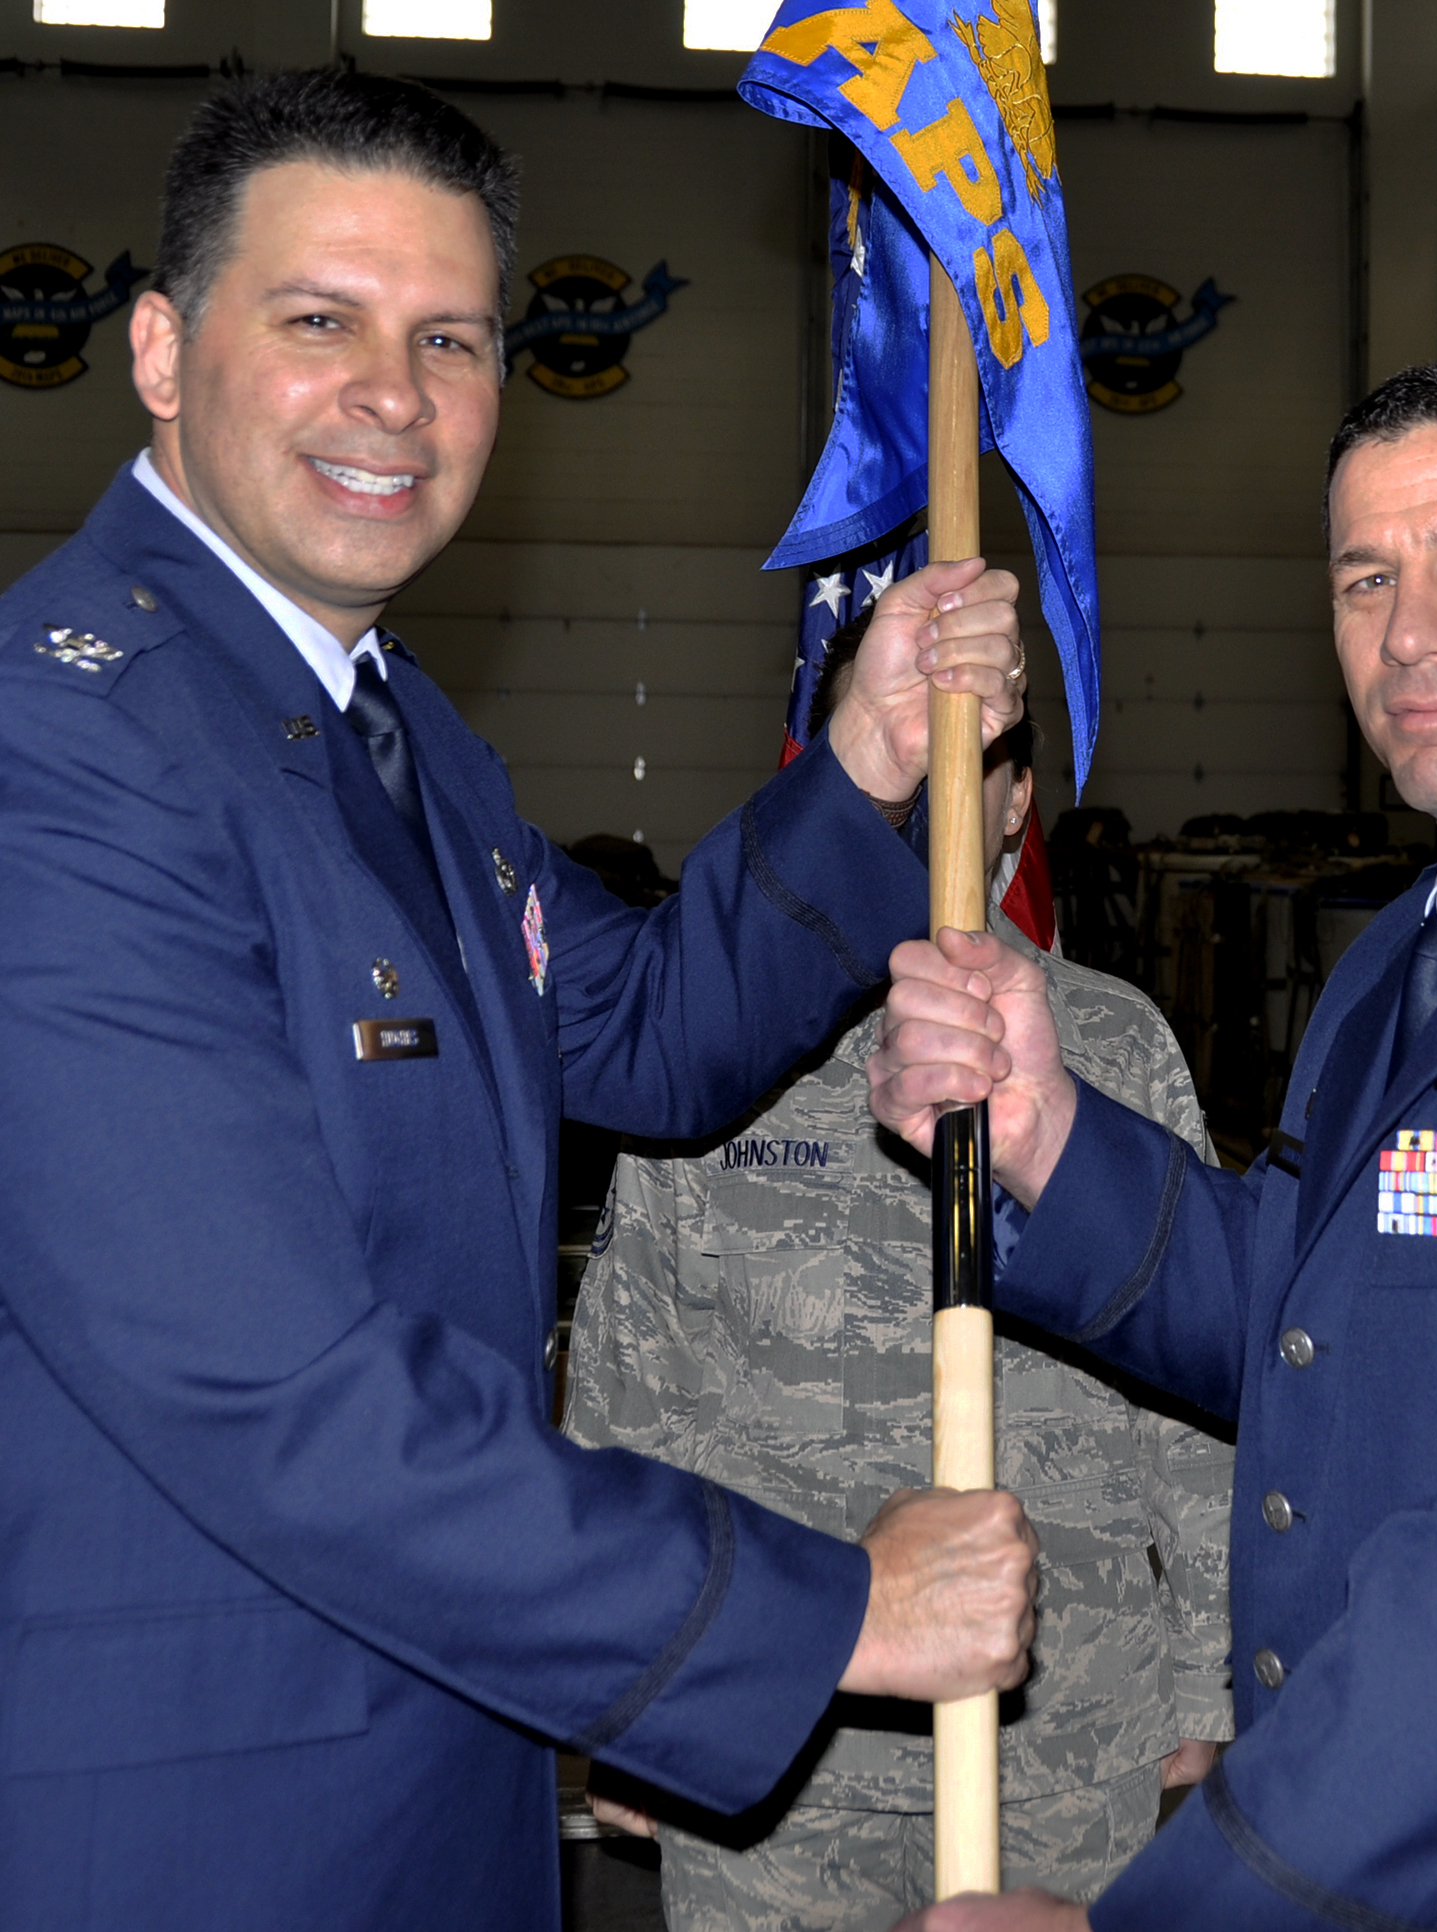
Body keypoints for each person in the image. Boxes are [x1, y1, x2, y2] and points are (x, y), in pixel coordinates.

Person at [0, 70, 1041, 1932]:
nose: (393, 396)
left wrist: (871, 756)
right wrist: (828, 1608)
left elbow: (642, 1032)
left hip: (427, 1790)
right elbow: (281, 1393)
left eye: (453, 338)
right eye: (319, 320)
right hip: (197, 1832)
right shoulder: (66, 756)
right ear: (161, 351)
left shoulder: (394, 736)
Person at [867, 361, 1437, 1932]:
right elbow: (1323, 1320)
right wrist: (1048, 1136)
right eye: (1365, 578)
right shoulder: (1416, 949)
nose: (1411, 634)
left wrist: (1178, 1914)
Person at [564, 618, 1235, 1929]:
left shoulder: (1114, 1043)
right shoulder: (725, 1036)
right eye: (899, 768)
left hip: (1067, 1717)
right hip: (777, 1728)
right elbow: (629, 1382)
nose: (932, 810)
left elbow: (1194, 1398)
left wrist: (1203, 1680)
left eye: (968, 766)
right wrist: (633, 1680)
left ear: (1019, 804)